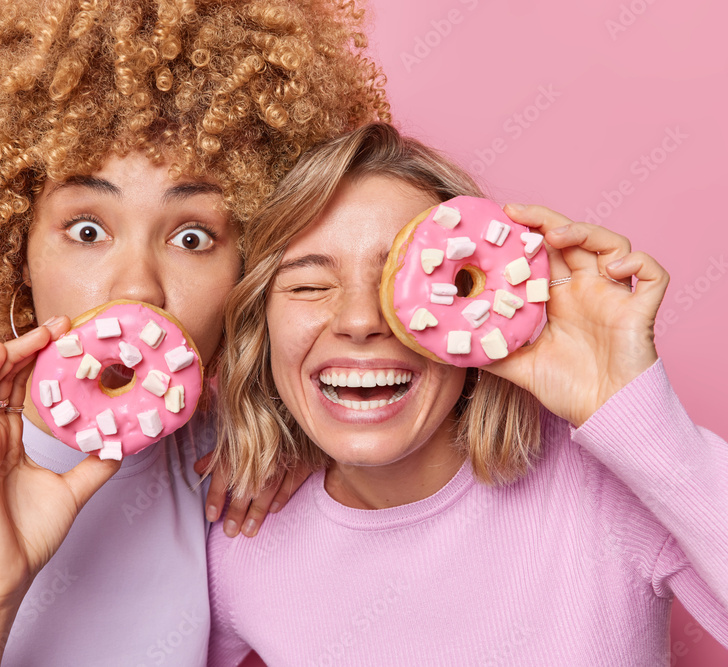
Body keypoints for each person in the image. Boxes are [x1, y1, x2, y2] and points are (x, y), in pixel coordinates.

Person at [0, 2, 389, 665]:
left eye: (192, 236)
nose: (137, 287)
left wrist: (292, 440)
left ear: (250, 265)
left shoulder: (233, 466)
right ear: (14, 247)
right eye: (88, 229)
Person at [207, 122, 728, 665]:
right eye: (309, 285)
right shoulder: (241, 545)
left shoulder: (606, 489)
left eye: (402, 282)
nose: (360, 321)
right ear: (259, 326)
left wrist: (625, 406)